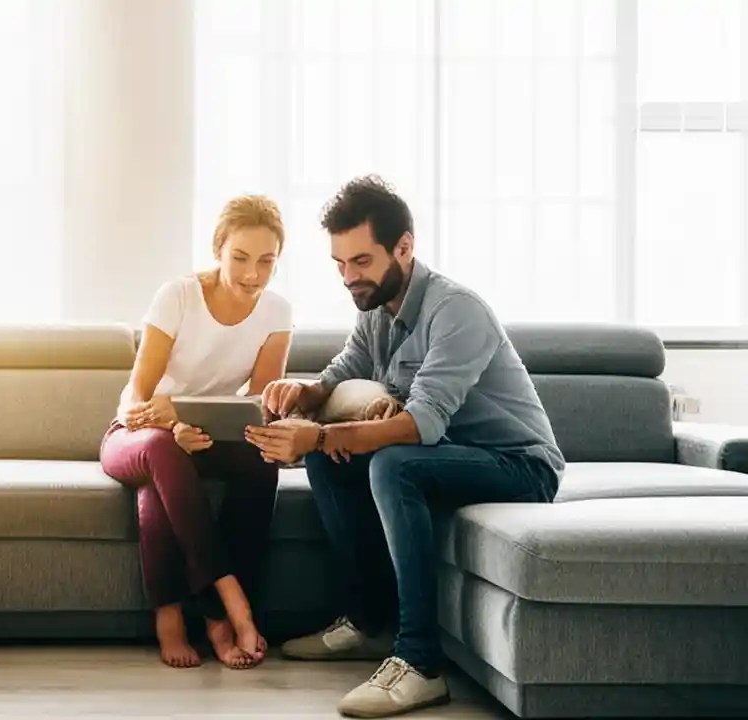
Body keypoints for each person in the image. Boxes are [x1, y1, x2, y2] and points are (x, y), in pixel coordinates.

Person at [245, 176, 563, 717]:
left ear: (404, 247)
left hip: (519, 466)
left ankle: (420, 664)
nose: (349, 277)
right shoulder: (374, 307)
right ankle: (369, 622)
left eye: (361, 261)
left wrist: (318, 433)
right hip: (452, 459)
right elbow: (346, 370)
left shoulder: (456, 310)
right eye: (340, 264)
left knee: (393, 464)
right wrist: (305, 393)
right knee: (334, 460)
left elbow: (421, 424)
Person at [100, 195, 293, 669]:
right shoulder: (179, 296)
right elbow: (136, 397)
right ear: (218, 250)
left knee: (260, 463)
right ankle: (226, 605)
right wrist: (173, 424)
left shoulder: (277, 312)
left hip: (206, 438)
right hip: (138, 436)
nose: (253, 274)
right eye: (240, 258)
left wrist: (200, 427)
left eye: (266, 261)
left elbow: (258, 405)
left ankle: (207, 612)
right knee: (164, 456)